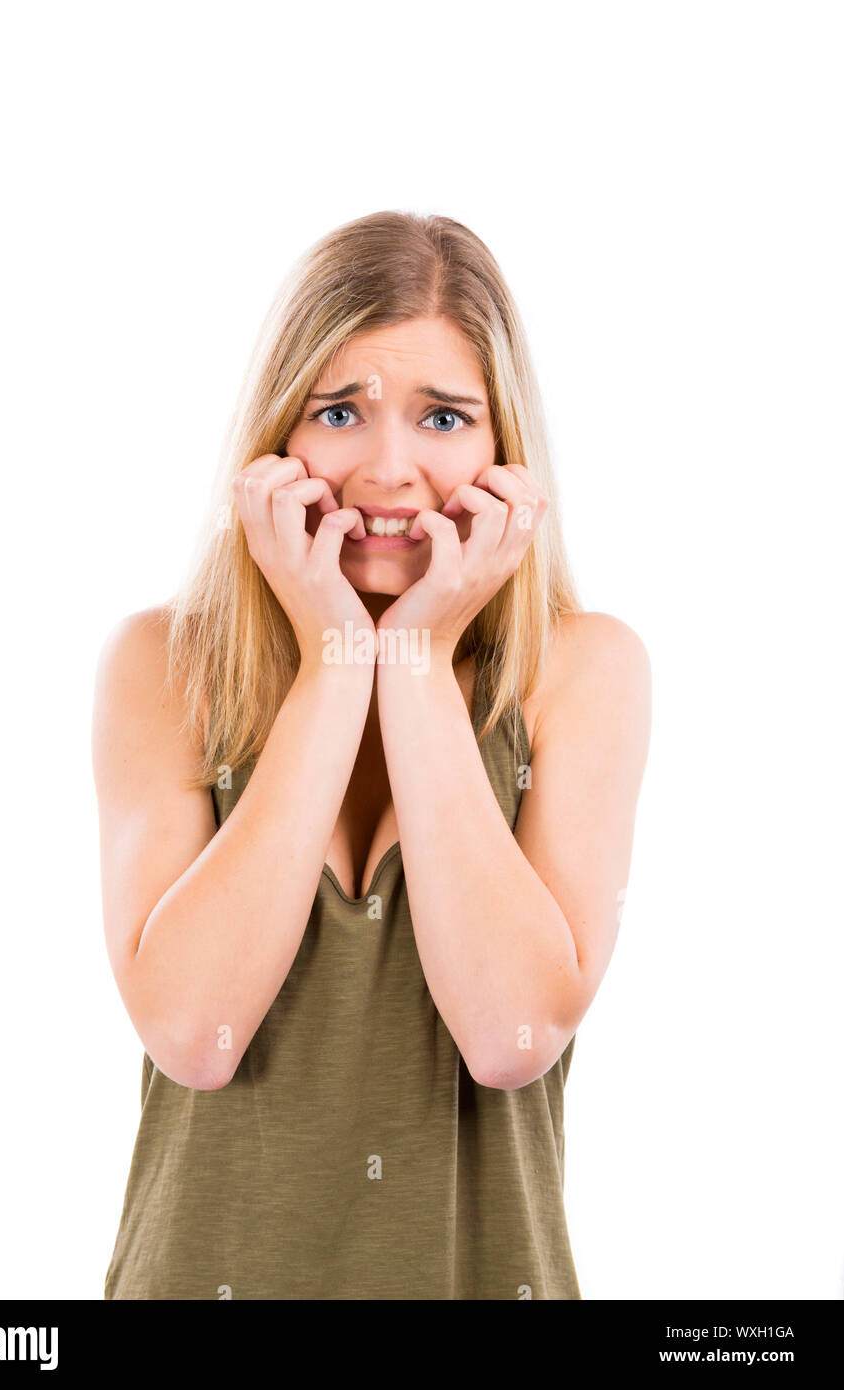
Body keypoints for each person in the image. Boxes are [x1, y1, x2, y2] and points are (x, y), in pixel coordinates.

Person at [91, 210, 651, 1300]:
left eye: (444, 416)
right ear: (275, 440)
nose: (390, 470)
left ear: (503, 454)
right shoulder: (161, 666)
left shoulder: (586, 670)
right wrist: (337, 659)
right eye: (339, 411)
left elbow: (509, 1033)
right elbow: (192, 1035)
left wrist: (421, 661)